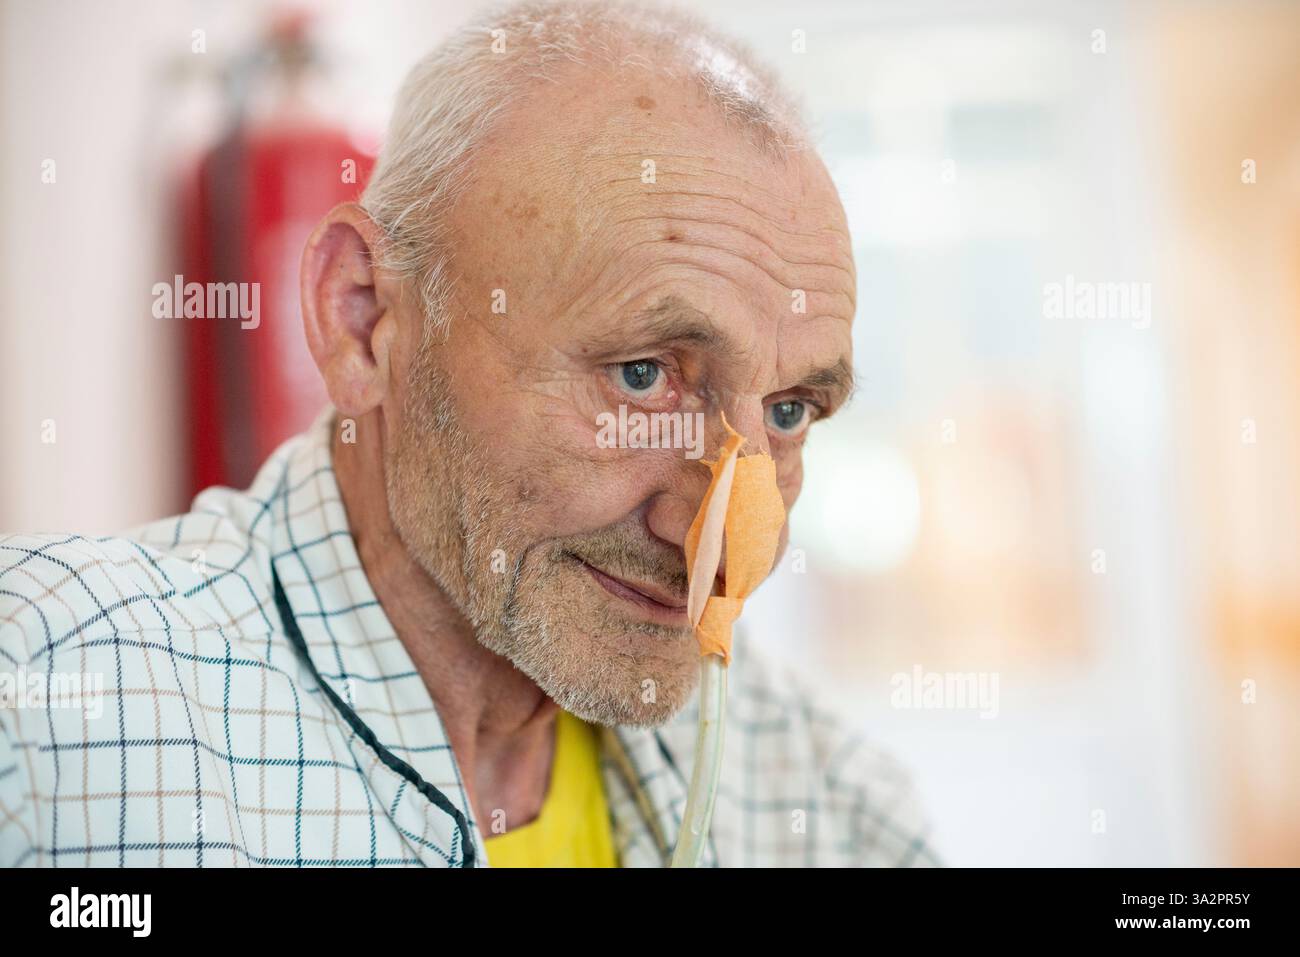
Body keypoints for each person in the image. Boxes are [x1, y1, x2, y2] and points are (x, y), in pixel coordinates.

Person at [0, 0, 938, 867]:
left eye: (786, 413)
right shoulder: (51, 712)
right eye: (642, 376)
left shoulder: (822, 795)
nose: (725, 541)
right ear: (364, 319)